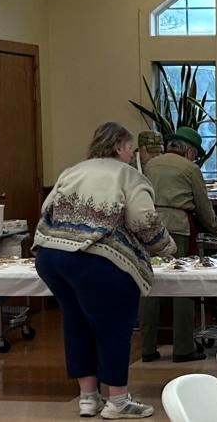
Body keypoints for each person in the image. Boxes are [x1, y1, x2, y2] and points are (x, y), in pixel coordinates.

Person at [33, 122, 177, 419]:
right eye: (129, 148)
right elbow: (143, 219)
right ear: (119, 147)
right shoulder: (129, 175)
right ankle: (119, 402)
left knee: (76, 323)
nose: (131, 153)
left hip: (50, 257)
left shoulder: (72, 171)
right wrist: (166, 246)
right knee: (114, 328)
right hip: (96, 259)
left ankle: (88, 398)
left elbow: (48, 208)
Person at [140, 126, 217, 363]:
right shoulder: (190, 169)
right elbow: (203, 207)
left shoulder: (150, 165)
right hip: (177, 229)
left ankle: (147, 348)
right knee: (182, 286)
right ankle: (183, 347)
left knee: (149, 286)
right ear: (190, 152)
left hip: (148, 227)